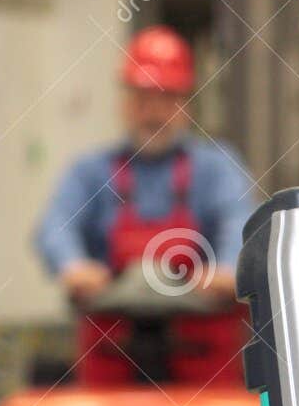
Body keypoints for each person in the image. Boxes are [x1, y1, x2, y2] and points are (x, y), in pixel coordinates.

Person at [34, 25, 255, 386]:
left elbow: (241, 222)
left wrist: (229, 270)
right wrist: (73, 266)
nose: (153, 113)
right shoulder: (89, 171)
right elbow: (55, 227)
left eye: (167, 99)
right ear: (124, 103)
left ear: (186, 104)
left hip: (201, 357)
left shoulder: (217, 168)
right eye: (142, 99)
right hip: (111, 353)